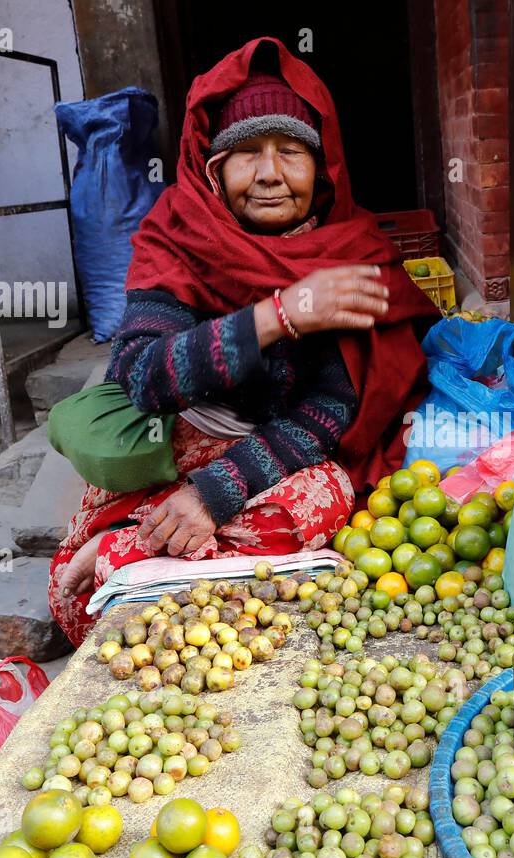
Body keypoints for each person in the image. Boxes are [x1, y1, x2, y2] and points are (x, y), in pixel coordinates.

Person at [48, 37, 438, 644]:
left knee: (328, 497)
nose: (270, 175)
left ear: (323, 166)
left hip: (283, 459)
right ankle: (166, 544)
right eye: (247, 153)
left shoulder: (354, 250)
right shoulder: (178, 234)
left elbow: (334, 409)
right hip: (186, 433)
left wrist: (214, 494)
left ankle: (134, 543)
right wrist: (279, 315)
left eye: (291, 152)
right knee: (73, 598)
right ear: (214, 169)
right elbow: (142, 377)